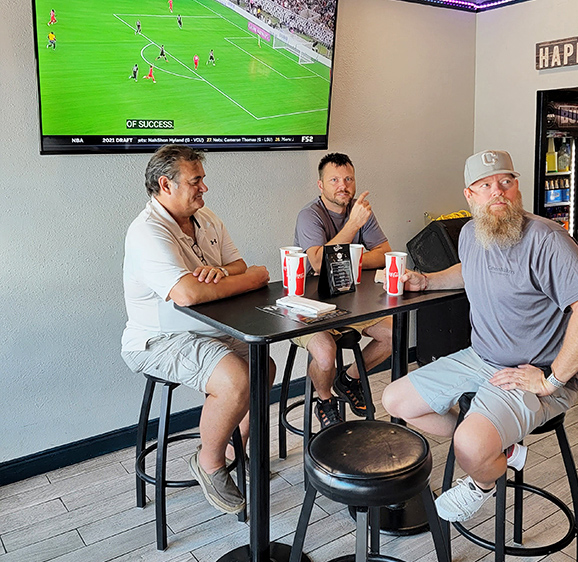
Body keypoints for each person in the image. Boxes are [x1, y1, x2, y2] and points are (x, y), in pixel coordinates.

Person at [382, 150, 578, 523]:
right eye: (486, 185)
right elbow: (467, 270)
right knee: (396, 400)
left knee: (469, 445)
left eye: (506, 181)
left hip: (531, 374)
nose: (498, 192)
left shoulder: (546, 240)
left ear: (516, 187)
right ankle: (500, 449)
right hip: (480, 358)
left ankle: (481, 483)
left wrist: (553, 379)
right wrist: (426, 282)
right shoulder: (473, 232)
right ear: (470, 196)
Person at [121, 145, 272, 515]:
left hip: (209, 329)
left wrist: (226, 274)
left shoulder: (207, 218)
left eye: (202, 179)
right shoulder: (147, 232)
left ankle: (234, 452)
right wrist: (251, 277)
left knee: (263, 368)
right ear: (165, 185)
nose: (204, 188)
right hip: (159, 340)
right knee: (235, 379)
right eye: (196, 181)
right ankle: (209, 463)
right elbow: (189, 294)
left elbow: (238, 264)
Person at [293, 153, 393, 428]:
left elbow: (384, 253)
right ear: (320, 185)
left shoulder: (360, 211)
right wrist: (353, 227)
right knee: (325, 354)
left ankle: (349, 379)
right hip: (309, 305)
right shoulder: (309, 216)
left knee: (393, 334)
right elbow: (317, 264)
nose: (343, 186)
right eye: (334, 180)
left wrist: (344, 261)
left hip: (351, 301)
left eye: (348, 179)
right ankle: (325, 401)